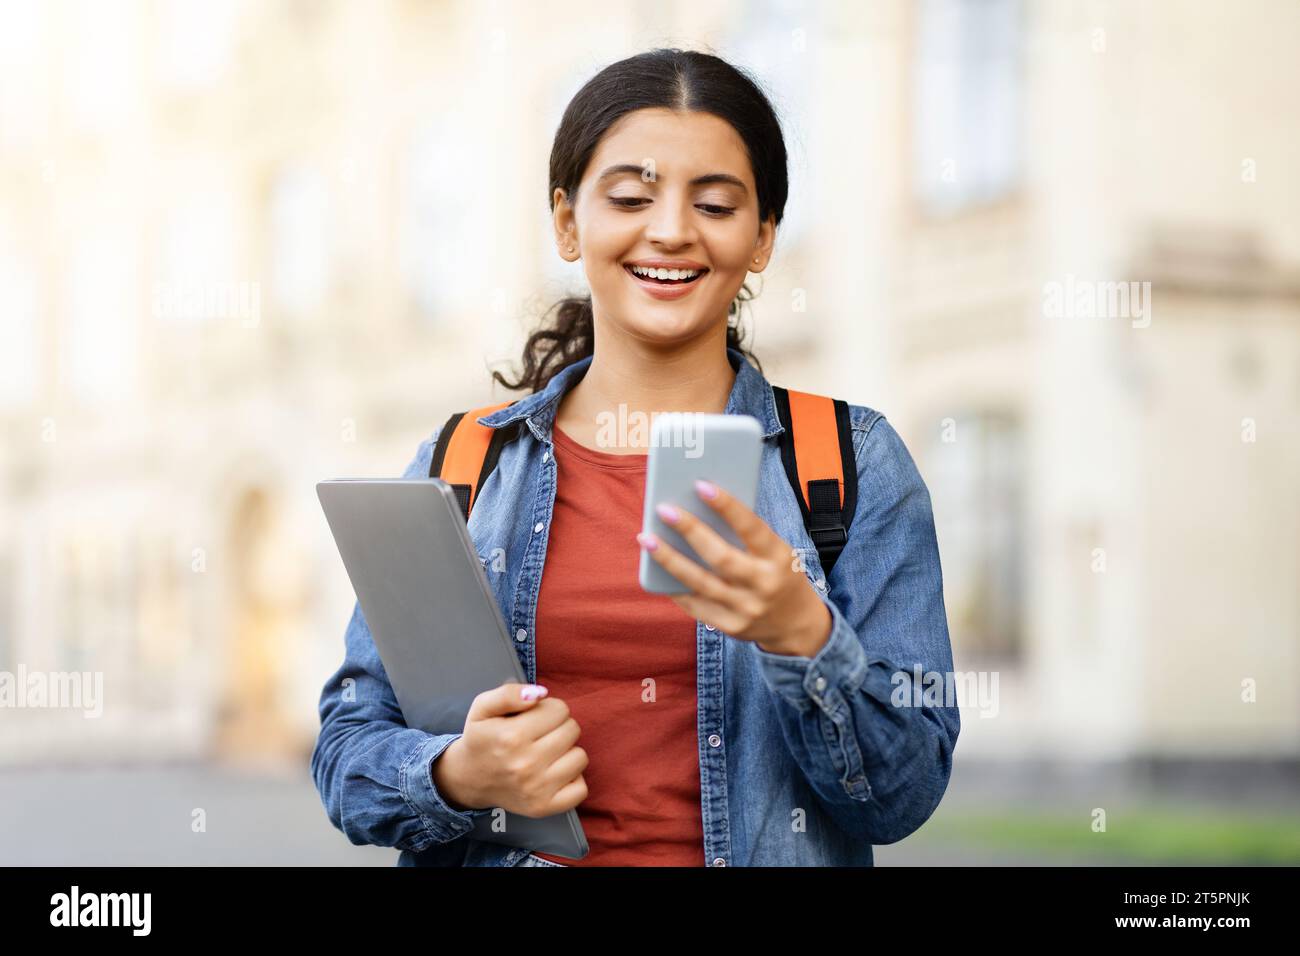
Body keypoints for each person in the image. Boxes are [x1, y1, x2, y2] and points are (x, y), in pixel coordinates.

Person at [311, 47, 959, 867]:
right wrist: (455, 772)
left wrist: (801, 633)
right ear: (567, 222)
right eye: (630, 197)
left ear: (762, 239)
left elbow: (903, 794)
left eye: (716, 204)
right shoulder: (465, 465)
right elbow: (344, 751)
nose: (671, 230)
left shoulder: (852, 464)